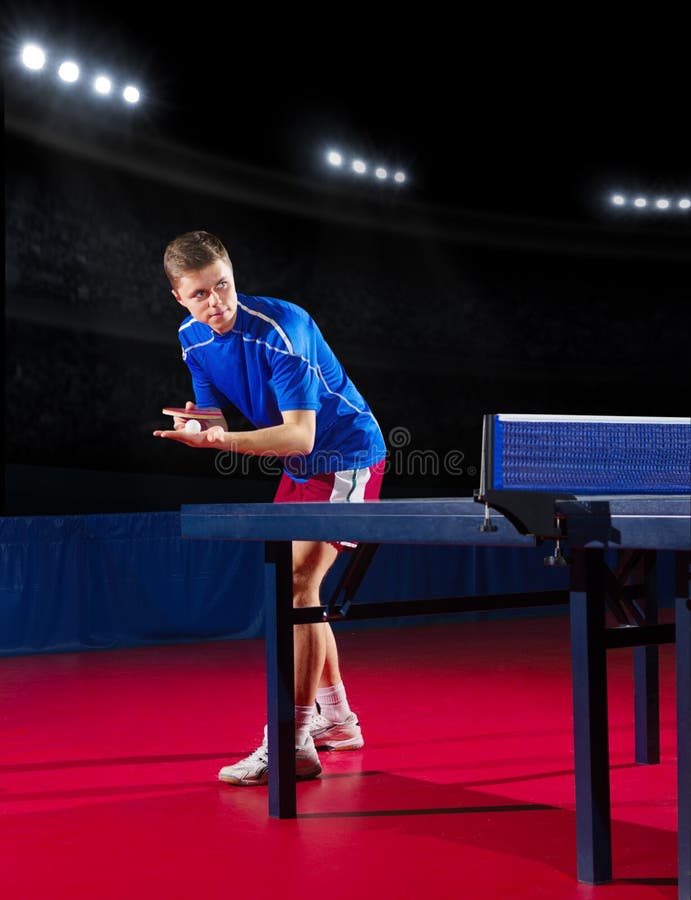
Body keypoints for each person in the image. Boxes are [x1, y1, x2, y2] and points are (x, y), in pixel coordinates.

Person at [154, 230, 387, 785]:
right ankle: (338, 721)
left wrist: (220, 442)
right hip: (298, 466)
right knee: (296, 591)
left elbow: (300, 435)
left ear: (233, 275)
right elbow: (214, 419)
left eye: (222, 285)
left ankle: (293, 740)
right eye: (200, 294)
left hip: (346, 455)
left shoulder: (283, 328)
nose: (216, 302)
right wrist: (198, 427)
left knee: (300, 586)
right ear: (179, 298)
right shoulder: (192, 339)